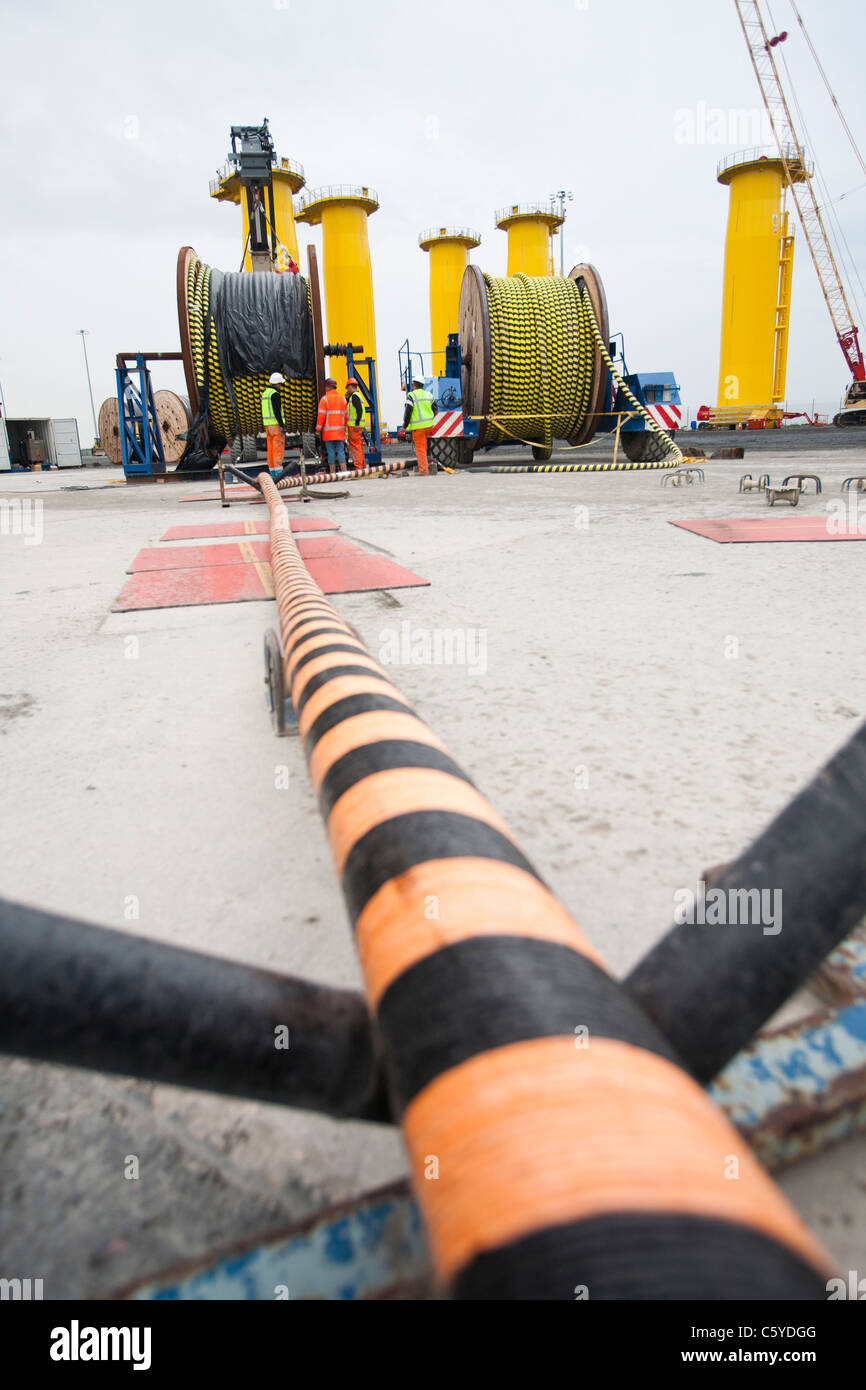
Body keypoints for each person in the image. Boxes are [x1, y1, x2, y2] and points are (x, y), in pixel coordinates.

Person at [403, 378, 436, 475]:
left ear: (414, 385)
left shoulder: (412, 395)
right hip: (429, 425)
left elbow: (408, 411)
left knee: (420, 449)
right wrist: (430, 417)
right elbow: (435, 407)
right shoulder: (428, 394)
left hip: (419, 427)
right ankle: (427, 466)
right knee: (425, 447)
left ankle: (423, 471)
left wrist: (405, 425)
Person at [316, 377, 348, 474]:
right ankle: (344, 471)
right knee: (340, 451)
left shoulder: (324, 400)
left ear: (328, 387)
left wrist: (318, 429)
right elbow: (346, 416)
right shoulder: (343, 399)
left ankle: (332, 473)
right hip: (339, 432)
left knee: (331, 452)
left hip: (328, 432)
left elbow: (321, 416)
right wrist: (344, 427)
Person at [262, 372, 287, 470]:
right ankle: (278, 473)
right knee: (278, 449)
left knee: (271, 449)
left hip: (268, 426)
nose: (281, 386)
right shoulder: (275, 394)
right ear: (276, 384)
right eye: (280, 384)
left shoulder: (266, 393)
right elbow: (277, 411)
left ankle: (272, 471)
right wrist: (282, 425)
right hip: (276, 426)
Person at [345, 378, 366, 471]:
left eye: (347, 388)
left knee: (355, 446)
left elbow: (359, 410)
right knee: (358, 446)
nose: (347, 390)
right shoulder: (356, 396)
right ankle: (362, 465)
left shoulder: (355, 396)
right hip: (356, 425)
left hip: (354, 426)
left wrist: (356, 423)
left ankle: (358, 467)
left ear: (350, 387)